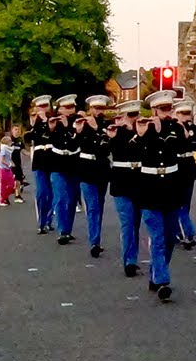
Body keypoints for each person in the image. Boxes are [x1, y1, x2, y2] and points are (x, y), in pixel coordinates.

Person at [137, 90, 185, 302]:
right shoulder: (142, 129)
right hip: (150, 187)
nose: (167, 113)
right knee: (156, 236)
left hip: (172, 186)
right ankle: (163, 281)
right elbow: (133, 150)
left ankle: (155, 275)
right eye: (163, 109)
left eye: (169, 108)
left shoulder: (175, 128)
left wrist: (171, 129)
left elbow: (183, 147)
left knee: (169, 238)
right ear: (154, 110)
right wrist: (147, 133)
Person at [108, 101, 144, 277]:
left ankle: (133, 257)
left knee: (136, 223)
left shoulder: (144, 132)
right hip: (122, 181)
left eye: (136, 114)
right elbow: (107, 149)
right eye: (130, 115)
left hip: (139, 181)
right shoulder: (115, 133)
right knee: (127, 223)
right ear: (122, 117)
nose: (134, 119)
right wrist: (116, 132)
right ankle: (129, 261)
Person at [77, 96, 114, 258]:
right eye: (96, 108)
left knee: (99, 205)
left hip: (102, 169)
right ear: (90, 109)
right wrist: (77, 131)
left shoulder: (107, 125)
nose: (99, 111)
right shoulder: (82, 124)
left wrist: (97, 129)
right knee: (92, 207)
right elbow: (72, 144)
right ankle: (95, 242)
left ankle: (96, 237)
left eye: (101, 109)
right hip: (86, 168)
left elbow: (107, 147)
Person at [48, 95, 83, 244]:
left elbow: (78, 140)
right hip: (57, 163)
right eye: (67, 108)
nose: (70, 110)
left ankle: (67, 229)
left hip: (73, 163)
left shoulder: (78, 122)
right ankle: (62, 231)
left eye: (72, 107)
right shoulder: (53, 123)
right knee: (61, 197)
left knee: (73, 198)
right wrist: (51, 127)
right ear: (60, 109)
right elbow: (43, 138)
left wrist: (70, 126)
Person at [172, 101, 196, 249]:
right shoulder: (172, 128)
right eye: (182, 114)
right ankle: (187, 233)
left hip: (189, 167)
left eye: (187, 113)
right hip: (177, 167)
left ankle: (179, 230)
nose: (185, 116)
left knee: (186, 204)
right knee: (180, 203)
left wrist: (187, 135)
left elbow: (195, 145)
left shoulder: (191, 128)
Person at [27, 96, 55, 233]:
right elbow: (28, 138)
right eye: (40, 107)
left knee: (52, 193)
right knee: (41, 193)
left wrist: (45, 120)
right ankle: (41, 222)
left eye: (45, 106)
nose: (43, 109)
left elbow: (54, 136)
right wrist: (33, 124)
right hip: (39, 160)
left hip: (52, 159)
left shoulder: (53, 121)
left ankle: (49, 221)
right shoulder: (34, 123)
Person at [0, 136, 17, 206]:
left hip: (8, 169)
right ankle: (1, 200)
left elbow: (8, 158)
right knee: (3, 186)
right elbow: (2, 160)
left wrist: (12, 163)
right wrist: (9, 164)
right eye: (10, 141)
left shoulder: (8, 150)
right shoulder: (4, 150)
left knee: (11, 184)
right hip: (3, 169)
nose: (11, 142)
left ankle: (5, 197)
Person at [8, 125, 26, 204]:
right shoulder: (9, 141)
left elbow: (23, 151)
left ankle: (17, 196)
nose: (17, 131)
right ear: (12, 131)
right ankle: (5, 196)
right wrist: (9, 161)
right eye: (16, 130)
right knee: (15, 181)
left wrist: (31, 154)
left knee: (19, 180)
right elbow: (4, 152)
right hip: (10, 164)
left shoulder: (20, 141)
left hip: (18, 164)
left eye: (19, 130)